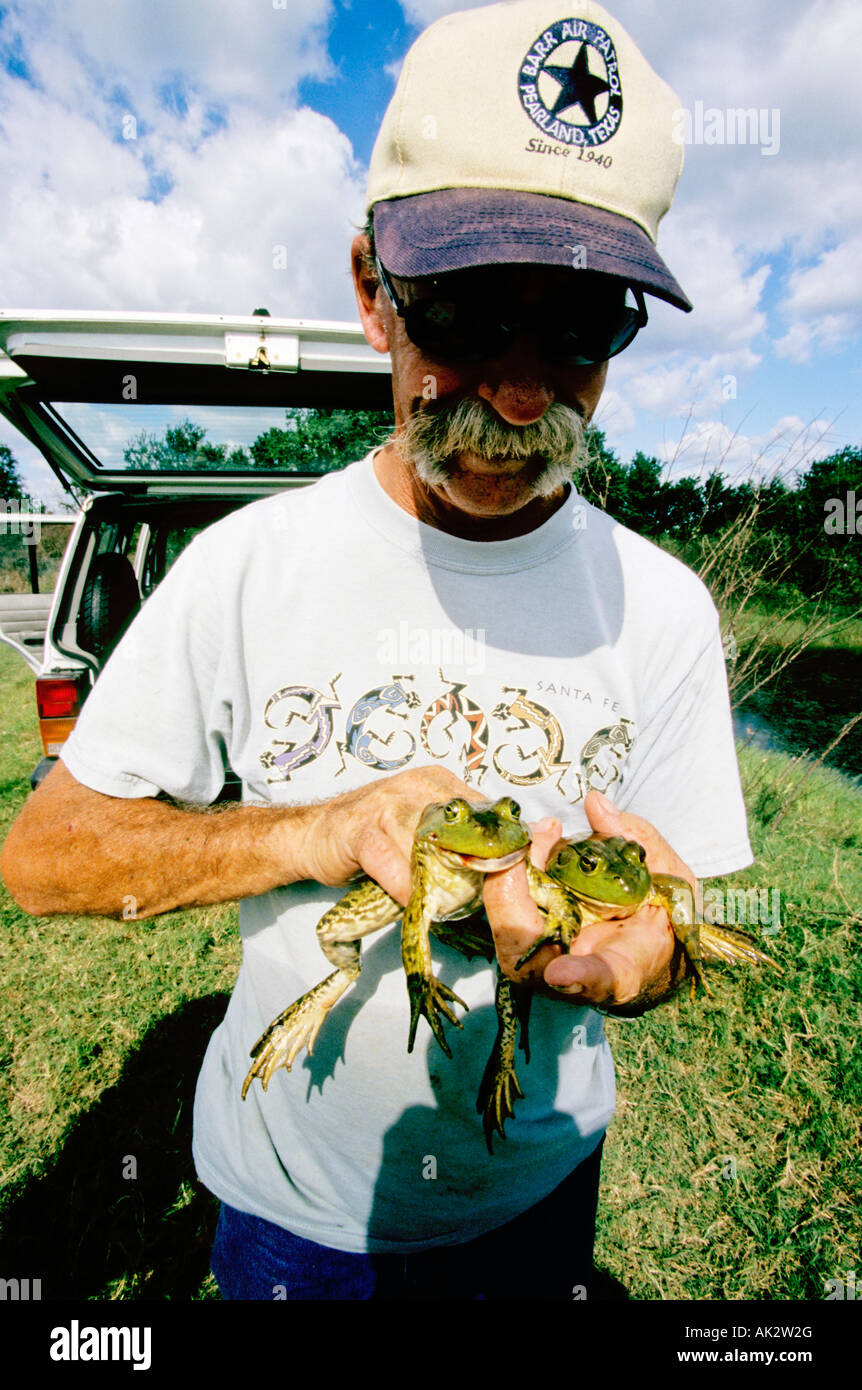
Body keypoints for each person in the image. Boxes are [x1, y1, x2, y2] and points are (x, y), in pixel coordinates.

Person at [0, 0, 752, 1299]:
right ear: (372, 293)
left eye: (578, 328)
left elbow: (688, 918)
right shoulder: (243, 564)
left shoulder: (665, 605)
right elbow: (47, 858)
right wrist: (316, 828)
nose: (516, 394)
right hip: (291, 1216)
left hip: (539, 1196)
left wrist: (653, 955)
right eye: (462, 312)